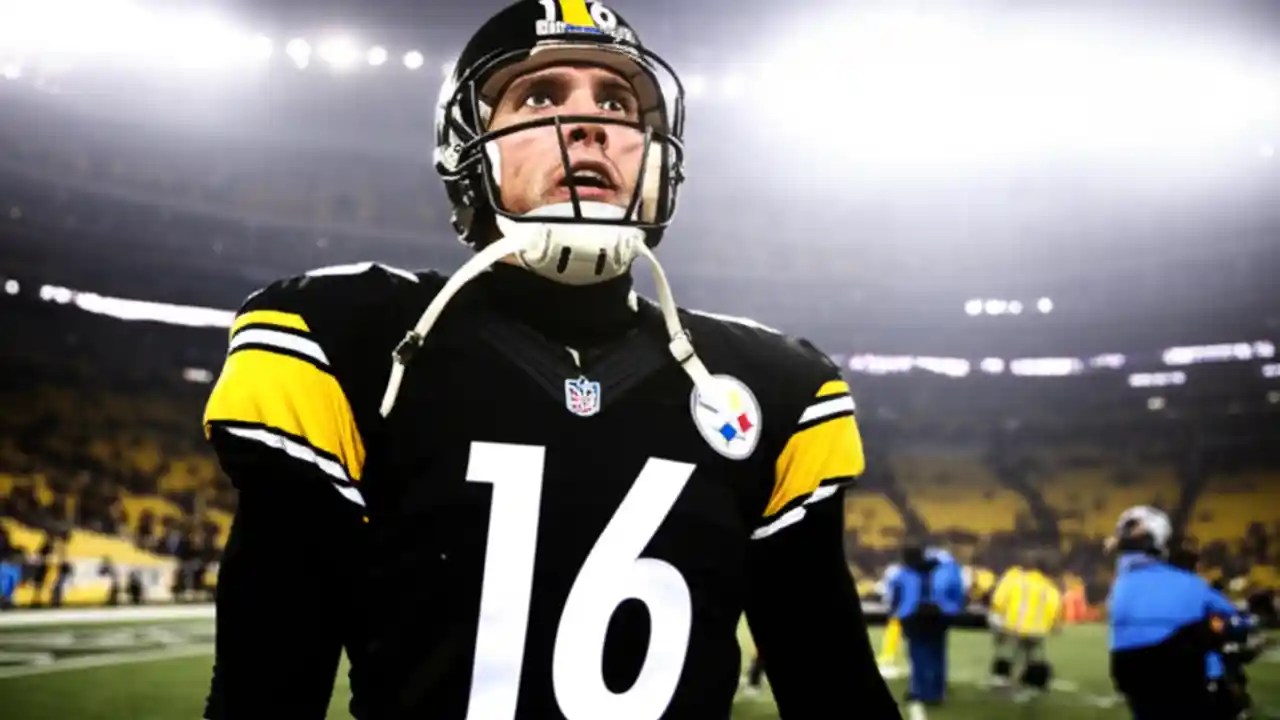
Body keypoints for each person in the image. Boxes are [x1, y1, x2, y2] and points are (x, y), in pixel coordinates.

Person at [201, 2, 900, 718]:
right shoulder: (345, 344)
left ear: (653, 153)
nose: (590, 122)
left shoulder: (777, 386)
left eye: (619, 102)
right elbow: (266, 693)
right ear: (469, 145)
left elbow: (834, 688)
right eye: (539, 95)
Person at [1107, 506, 1240, 720]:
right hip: (1187, 680)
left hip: (1131, 679)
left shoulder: (1120, 586)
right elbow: (1233, 619)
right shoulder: (1191, 584)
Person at [887, 544, 965, 719]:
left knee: (918, 654)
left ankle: (921, 691)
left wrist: (895, 612)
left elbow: (895, 595)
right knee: (938, 652)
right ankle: (938, 692)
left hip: (914, 616)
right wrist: (954, 609)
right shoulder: (946, 569)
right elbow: (957, 590)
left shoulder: (903, 573)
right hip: (940, 615)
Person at [987, 551, 1061, 697]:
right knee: (1033, 655)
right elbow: (1054, 606)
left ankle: (1002, 678)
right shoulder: (1049, 586)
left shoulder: (1014, 580)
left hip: (1014, 626)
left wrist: (998, 619)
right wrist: (1053, 625)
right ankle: (1035, 682)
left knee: (1008, 651)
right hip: (1038, 630)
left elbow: (998, 600)